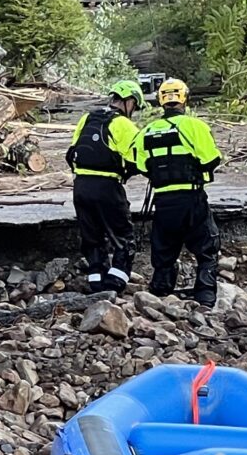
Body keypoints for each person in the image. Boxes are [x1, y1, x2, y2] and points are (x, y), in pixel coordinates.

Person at [133, 78, 223, 307]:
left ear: (161, 100)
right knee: (207, 248)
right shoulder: (196, 126)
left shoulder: (146, 131)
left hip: (163, 201)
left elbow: (140, 165)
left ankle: (160, 295)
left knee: (164, 250)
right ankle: (205, 297)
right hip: (192, 198)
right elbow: (212, 159)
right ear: (184, 98)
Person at [66, 79, 144, 292]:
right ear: (128, 102)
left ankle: (96, 281)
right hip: (107, 186)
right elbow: (138, 159)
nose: (134, 111)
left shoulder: (87, 118)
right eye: (134, 106)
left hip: (81, 187)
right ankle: (116, 283)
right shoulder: (124, 125)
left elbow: (72, 152)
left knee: (92, 237)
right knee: (123, 237)